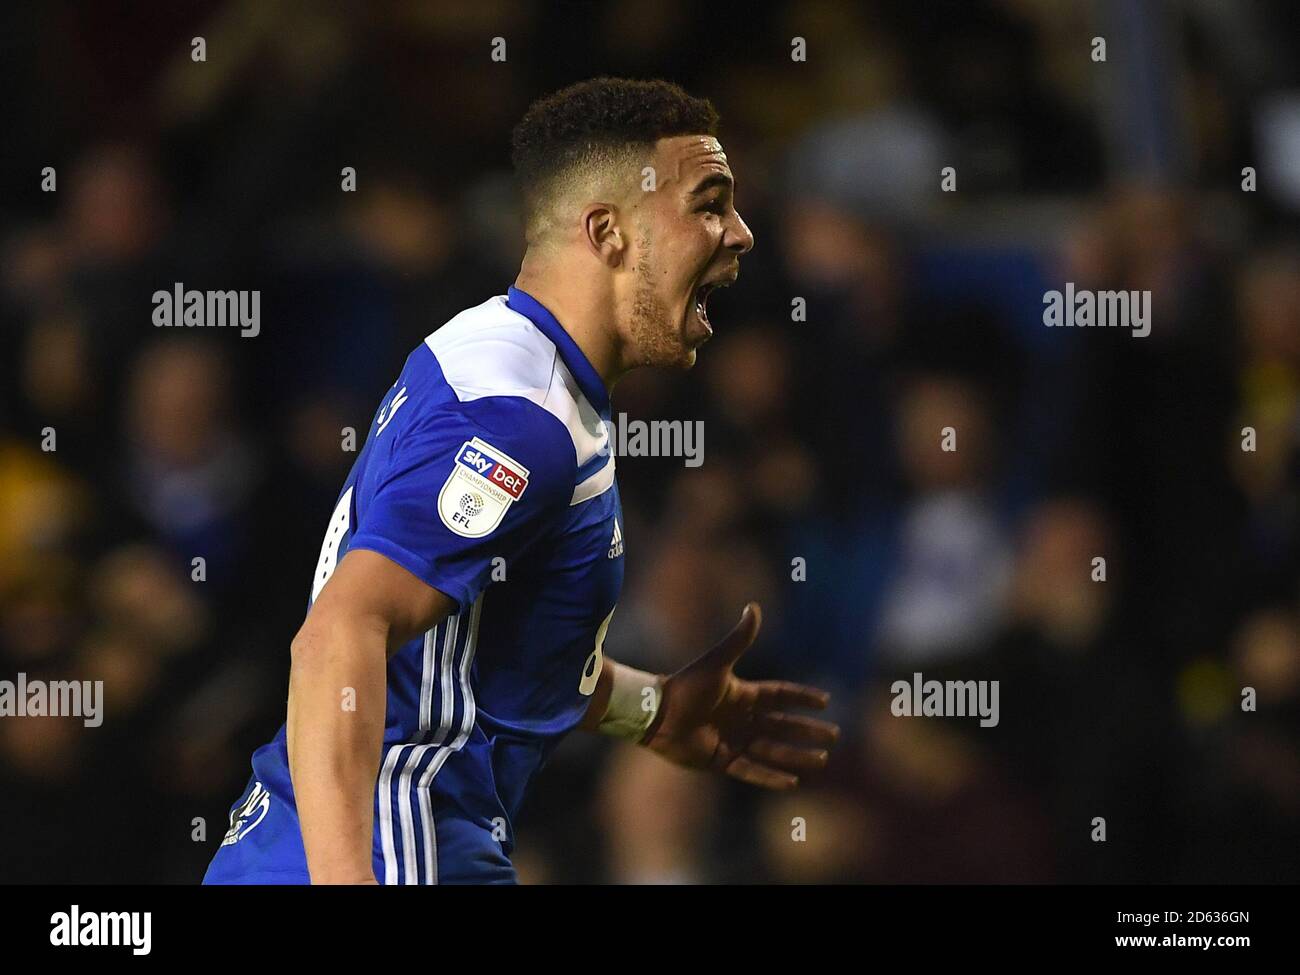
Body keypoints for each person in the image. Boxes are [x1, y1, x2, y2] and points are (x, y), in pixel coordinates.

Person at [204, 77, 839, 885]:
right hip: (391, 848)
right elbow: (338, 636)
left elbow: (474, 655)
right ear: (609, 232)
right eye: (709, 203)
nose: (741, 233)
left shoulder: (509, 360)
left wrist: (651, 709)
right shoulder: (517, 418)